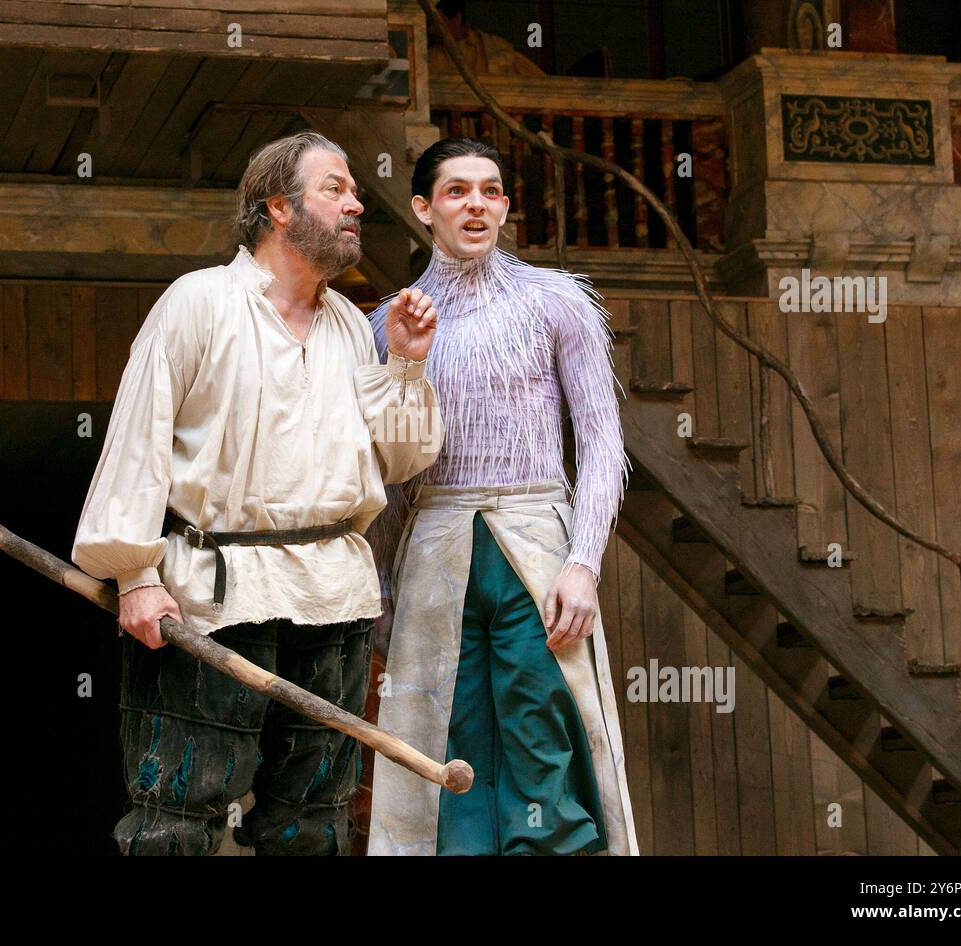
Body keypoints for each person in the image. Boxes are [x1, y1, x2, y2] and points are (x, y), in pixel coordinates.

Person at [71, 130, 443, 855]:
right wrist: (137, 575)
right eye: (335, 187)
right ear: (279, 206)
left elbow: (399, 460)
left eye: (353, 190)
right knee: (177, 815)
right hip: (213, 597)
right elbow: (138, 442)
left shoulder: (345, 324)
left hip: (334, 600)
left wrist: (403, 362)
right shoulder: (198, 303)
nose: (356, 203)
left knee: (311, 823)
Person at [366, 137, 638, 856]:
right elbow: (388, 474)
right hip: (434, 546)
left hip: (534, 537)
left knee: (541, 731)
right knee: (443, 748)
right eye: (457, 191)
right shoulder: (389, 322)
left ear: (506, 206)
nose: (477, 204)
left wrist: (584, 562)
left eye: (490, 190)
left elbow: (604, 443)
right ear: (424, 208)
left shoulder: (555, 302)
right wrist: (381, 588)